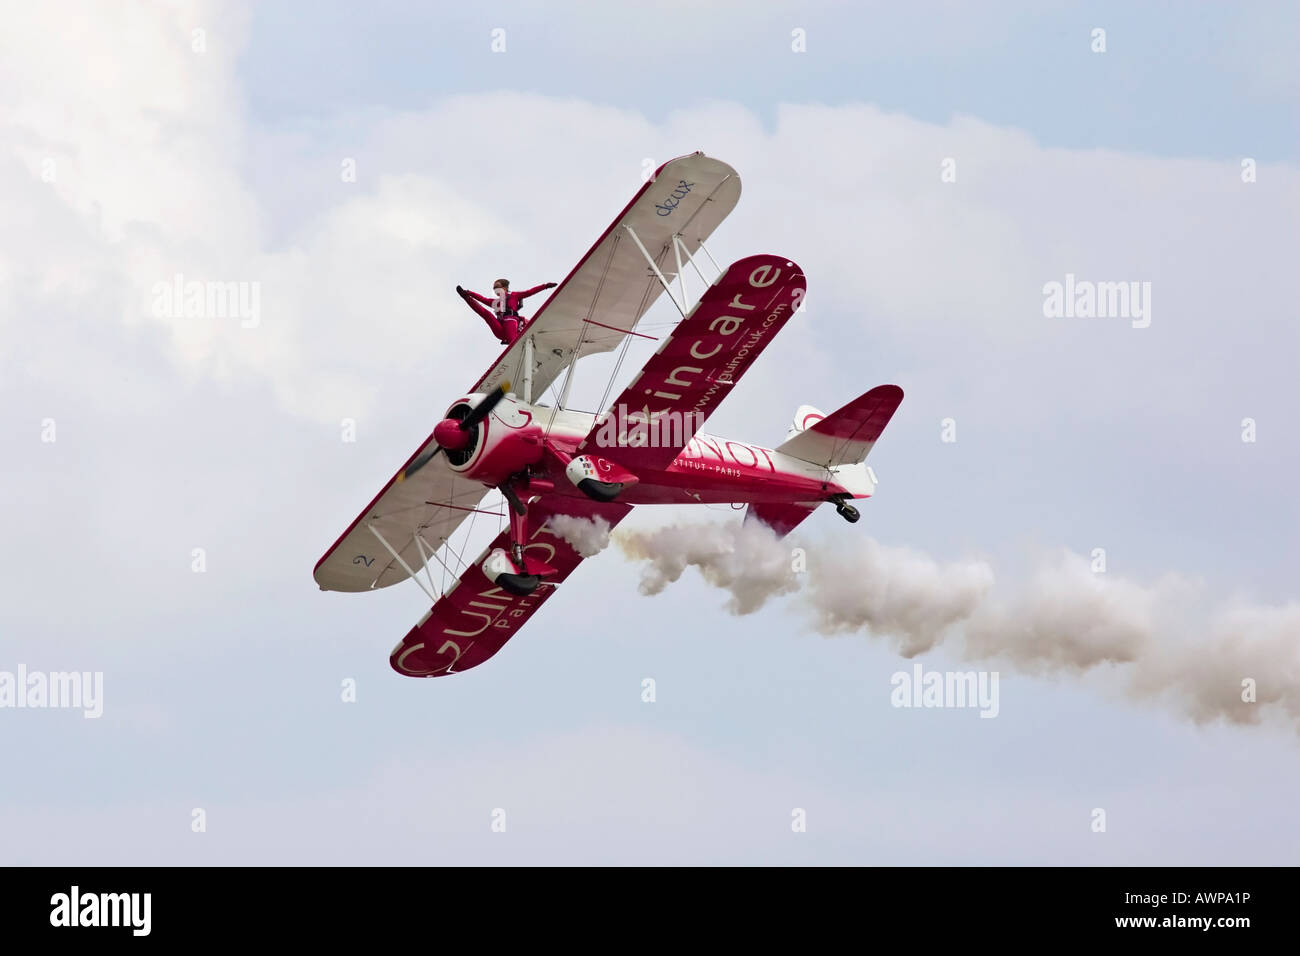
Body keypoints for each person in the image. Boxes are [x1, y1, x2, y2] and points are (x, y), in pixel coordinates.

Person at [457, 278, 557, 346]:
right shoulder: (495, 302)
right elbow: (482, 299)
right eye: (494, 288)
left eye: (497, 287)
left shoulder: (514, 295)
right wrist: (469, 293)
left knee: (509, 319)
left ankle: (513, 343)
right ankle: (466, 297)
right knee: (487, 314)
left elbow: (529, 292)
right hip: (501, 331)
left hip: (511, 325)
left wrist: (545, 286)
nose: (495, 290)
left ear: (504, 288)